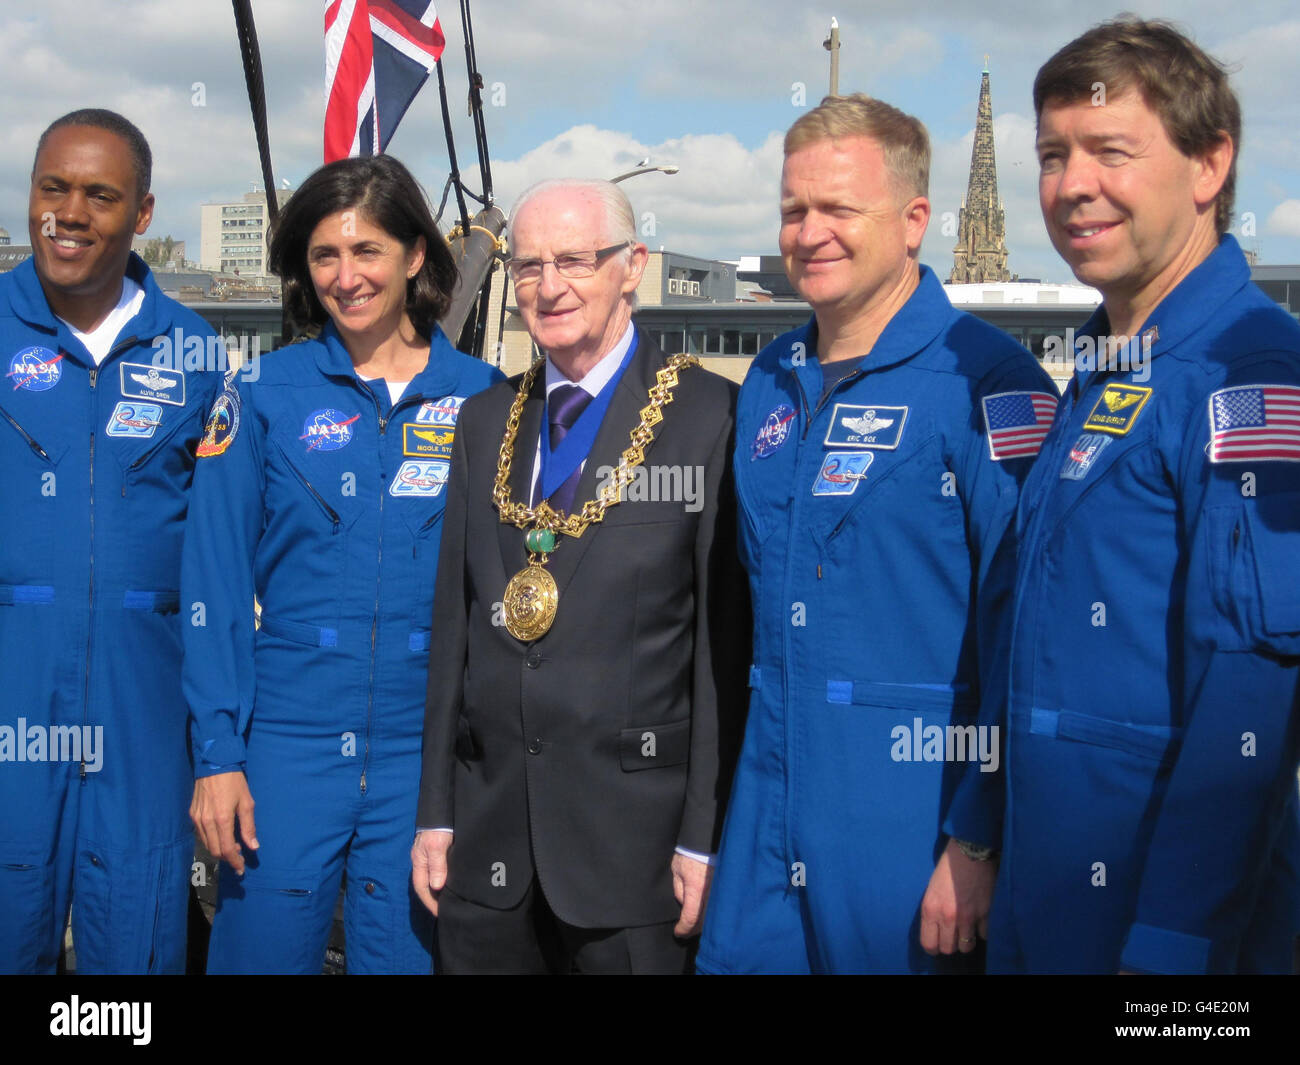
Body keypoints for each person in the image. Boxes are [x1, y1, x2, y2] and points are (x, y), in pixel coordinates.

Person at [695, 94, 1056, 974]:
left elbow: (1029, 635)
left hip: (907, 823)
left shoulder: (992, 385)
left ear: (913, 221)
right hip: (763, 822)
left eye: (838, 210)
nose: (809, 231)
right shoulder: (770, 380)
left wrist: (976, 839)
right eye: (792, 209)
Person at [988, 17, 1300, 975]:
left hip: (1161, 925)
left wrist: (1176, 943)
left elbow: (1254, 682)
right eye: (1051, 155)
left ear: (1210, 165)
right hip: (1048, 903)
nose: (1071, 184)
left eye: (1109, 151)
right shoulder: (1108, 365)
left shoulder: (1245, 371)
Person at [410, 177, 749, 974]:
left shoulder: (708, 419)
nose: (549, 286)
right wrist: (437, 815)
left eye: (574, 260)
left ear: (631, 266)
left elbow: (718, 653)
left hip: (635, 858)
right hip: (490, 852)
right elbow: (453, 629)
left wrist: (704, 836)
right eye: (528, 267)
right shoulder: (483, 421)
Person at [182, 154, 502, 974]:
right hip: (285, 749)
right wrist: (218, 755)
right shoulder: (257, 394)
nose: (346, 275)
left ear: (415, 255)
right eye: (325, 255)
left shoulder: (487, 399)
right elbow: (213, 587)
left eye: (367, 251)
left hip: (424, 761)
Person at [0, 109, 223, 974]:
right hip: (14, 698)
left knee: (137, 936)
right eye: (52, 187)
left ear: (142, 212)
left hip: (144, 707)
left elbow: (225, 547)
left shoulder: (194, 353)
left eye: (100, 194)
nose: (69, 212)